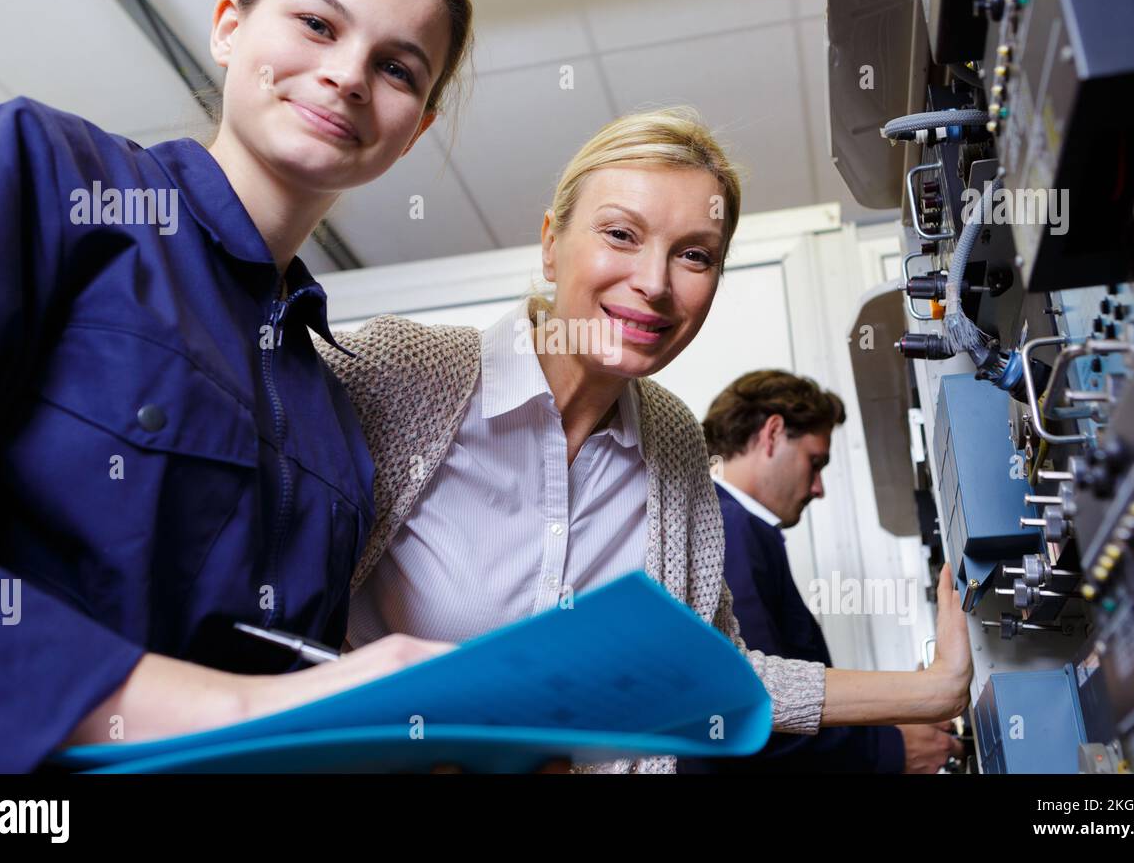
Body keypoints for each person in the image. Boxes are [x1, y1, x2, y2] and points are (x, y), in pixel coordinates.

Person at [0, 0, 473, 772]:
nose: (347, 76)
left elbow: (293, 710)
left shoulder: (334, 421)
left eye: (397, 69)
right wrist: (238, 707)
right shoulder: (47, 175)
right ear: (227, 27)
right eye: (318, 25)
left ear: (414, 132)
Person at [315, 107, 974, 773]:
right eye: (622, 234)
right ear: (551, 243)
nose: (655, 284)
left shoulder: (675, 445)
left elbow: (713, 671)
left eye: (694, 254)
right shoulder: (396, 373)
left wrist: (934, 688)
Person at [680, 370, 965, 773]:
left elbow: (791, 693)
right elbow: (759, 707)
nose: (819, 488)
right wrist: (889, 748)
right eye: (815, 463)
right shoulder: (730, 527)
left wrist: (896, 710)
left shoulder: (739, 528)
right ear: (772, 433)